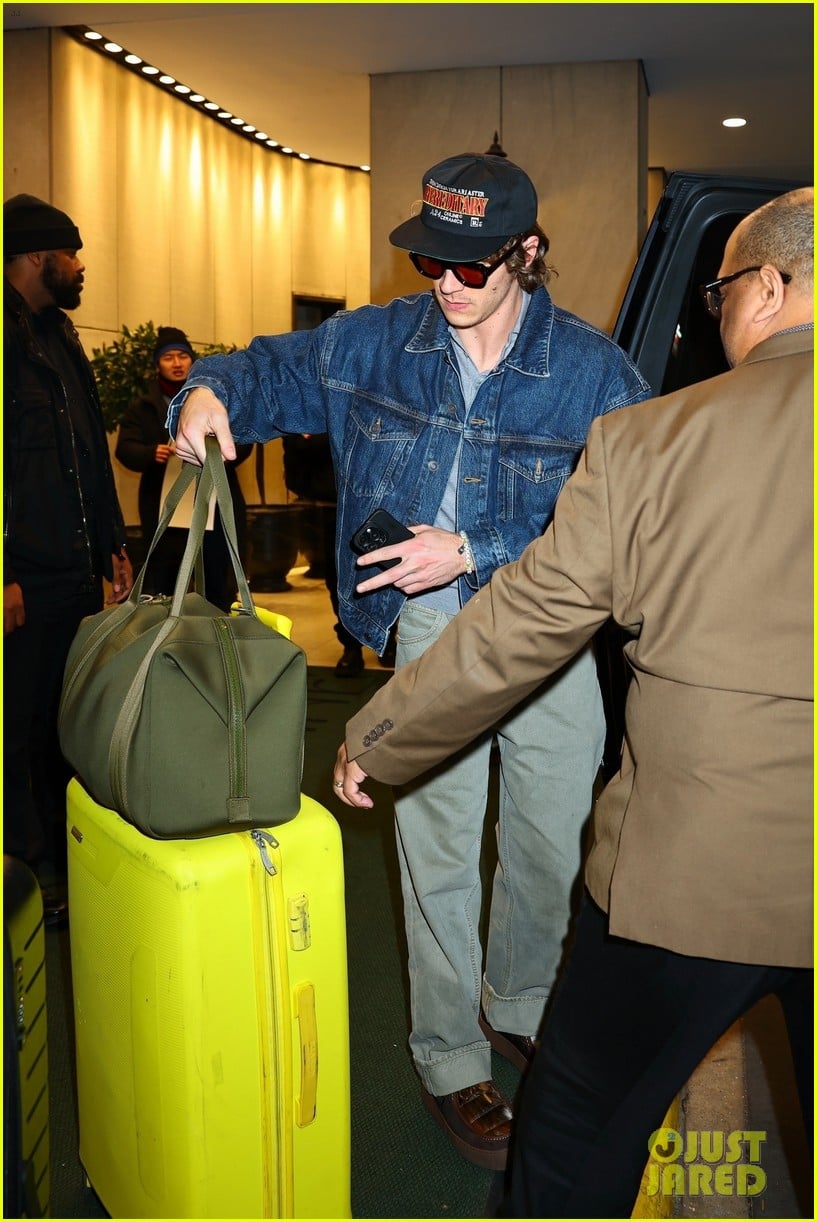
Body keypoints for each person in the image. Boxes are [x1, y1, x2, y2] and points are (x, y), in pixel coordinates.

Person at [332, 187, 813, 1215]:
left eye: (723, 289)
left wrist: (381, 730)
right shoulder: (393, 344)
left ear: (769, 289)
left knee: (571, 1148)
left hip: (691, 875)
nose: (719, 311)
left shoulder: (650, 435)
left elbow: (524, 624)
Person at [168, 153, 650, 1167]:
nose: (445, 282)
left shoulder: (593, 370)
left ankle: (519, 1002)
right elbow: (267, 369)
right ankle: (447, 1057)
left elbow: (628, 514)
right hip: (432, 628)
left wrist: (473, 541)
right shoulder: (377, 340)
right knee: (435, 845)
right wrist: (207, 394)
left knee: (552, 837)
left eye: (471, 265)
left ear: (526, 253)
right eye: (431, 258)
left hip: (550, 620)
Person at [3, 193, 134, 922]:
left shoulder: (60, 334)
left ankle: (64, 858)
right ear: (33, 256)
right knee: (15, 732)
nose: (80, 266)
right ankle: (27, 875)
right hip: (22, 578)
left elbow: (88, 450)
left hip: (75, 570)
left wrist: (116, 545)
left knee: (65, 726)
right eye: (70, 253)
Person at [115, 326, 251, 612]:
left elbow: (244, 441)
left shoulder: (216, 397)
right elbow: (125, 449)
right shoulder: (143, 407)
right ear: (157, 365)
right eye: (168, 357)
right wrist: (152, 452)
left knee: (216, 586)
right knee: (165, 588)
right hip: (166, 509)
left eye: (182, 356)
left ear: (193, 360)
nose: (176, 363)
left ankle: (215, 645)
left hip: (213, 509)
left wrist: (218, 452)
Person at [282, 432, 366, 676]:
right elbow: (295, 442)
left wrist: (316, 440)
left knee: (378, 569)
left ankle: (386, 637)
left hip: (369, 496)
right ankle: (351, 645)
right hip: (328, 504)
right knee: (337, 577)